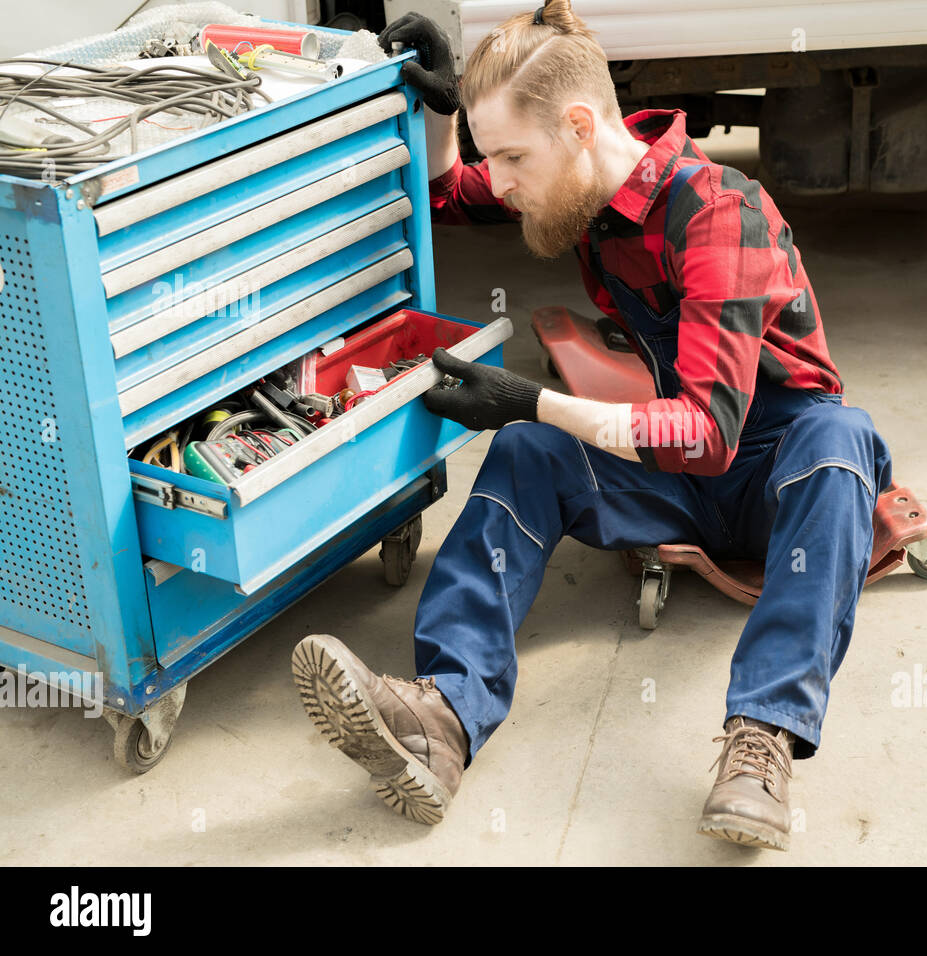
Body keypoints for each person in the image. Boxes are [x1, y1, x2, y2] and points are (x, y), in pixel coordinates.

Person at [291, 0, 892, 852]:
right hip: (675, 476)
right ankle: (444, 717)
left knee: (842, 441)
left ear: (579, 126)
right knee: (533, 451)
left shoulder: (722, 213)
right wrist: (434, 105)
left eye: (511, 158)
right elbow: (441, 192)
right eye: (493, 156)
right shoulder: (584, 191)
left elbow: (708, 434)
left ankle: (762, 743)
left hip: (773, 475)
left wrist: (529, 397)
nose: (497, 181)